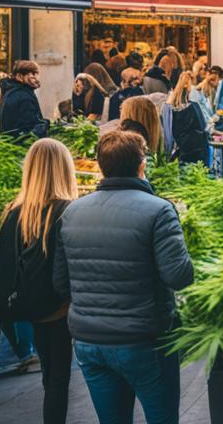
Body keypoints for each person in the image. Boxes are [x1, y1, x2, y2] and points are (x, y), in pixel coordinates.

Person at [54, 129, 194, 424]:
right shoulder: (159, 211)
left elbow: (60, 283)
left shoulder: (71, 213)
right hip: (144, 338)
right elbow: (179, 275)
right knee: (162, 417)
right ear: (141, 164)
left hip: (90, 342)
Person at [0, 138, 78, 424]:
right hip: (59, 309)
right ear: (64, 169)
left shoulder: (14, 211)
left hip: (29, 306)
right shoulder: (67, 210)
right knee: (58, 379)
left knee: (51, 375)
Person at [167, 73, 209, 166]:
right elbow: (202, 126)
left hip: (181, 150)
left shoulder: (170, 108)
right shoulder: (194, 106)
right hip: (197, 151)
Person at [0, 60, 49, 140]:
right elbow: (28, 127)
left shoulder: (11, 91)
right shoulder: (24, 95)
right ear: (19, 76)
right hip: (21, 144)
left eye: (36, 73)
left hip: (10, 141)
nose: (35, 77)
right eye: (31, 73)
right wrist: (44, 124)